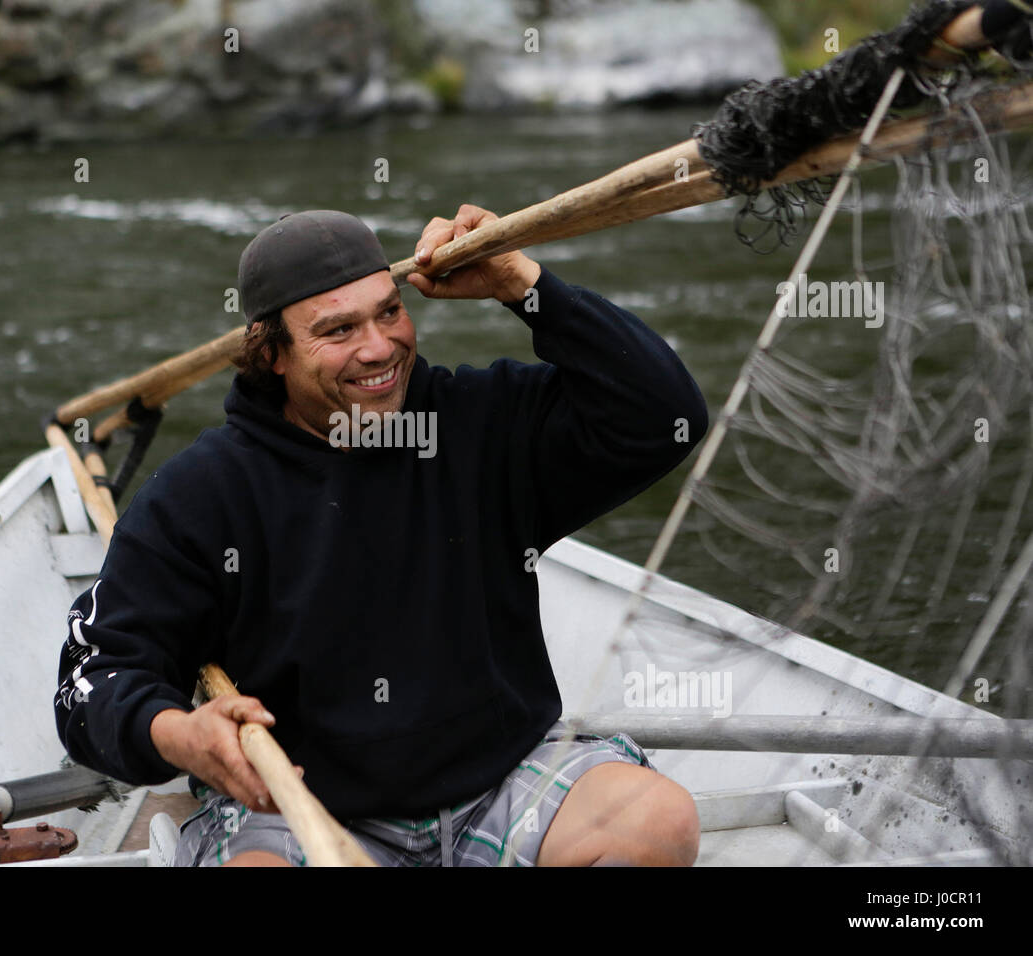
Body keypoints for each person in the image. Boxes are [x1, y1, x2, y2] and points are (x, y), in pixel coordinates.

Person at [55, 204, 709, 866]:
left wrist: (522, 284)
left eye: (388, 312)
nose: (378, 348)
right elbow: (92, 677)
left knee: (656, 820)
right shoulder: (202, 493)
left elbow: (665, 417)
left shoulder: (481, 426)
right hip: (298, 808)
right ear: (271, 354)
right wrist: (179, 734)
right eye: (338, 330)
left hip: (499, 781)